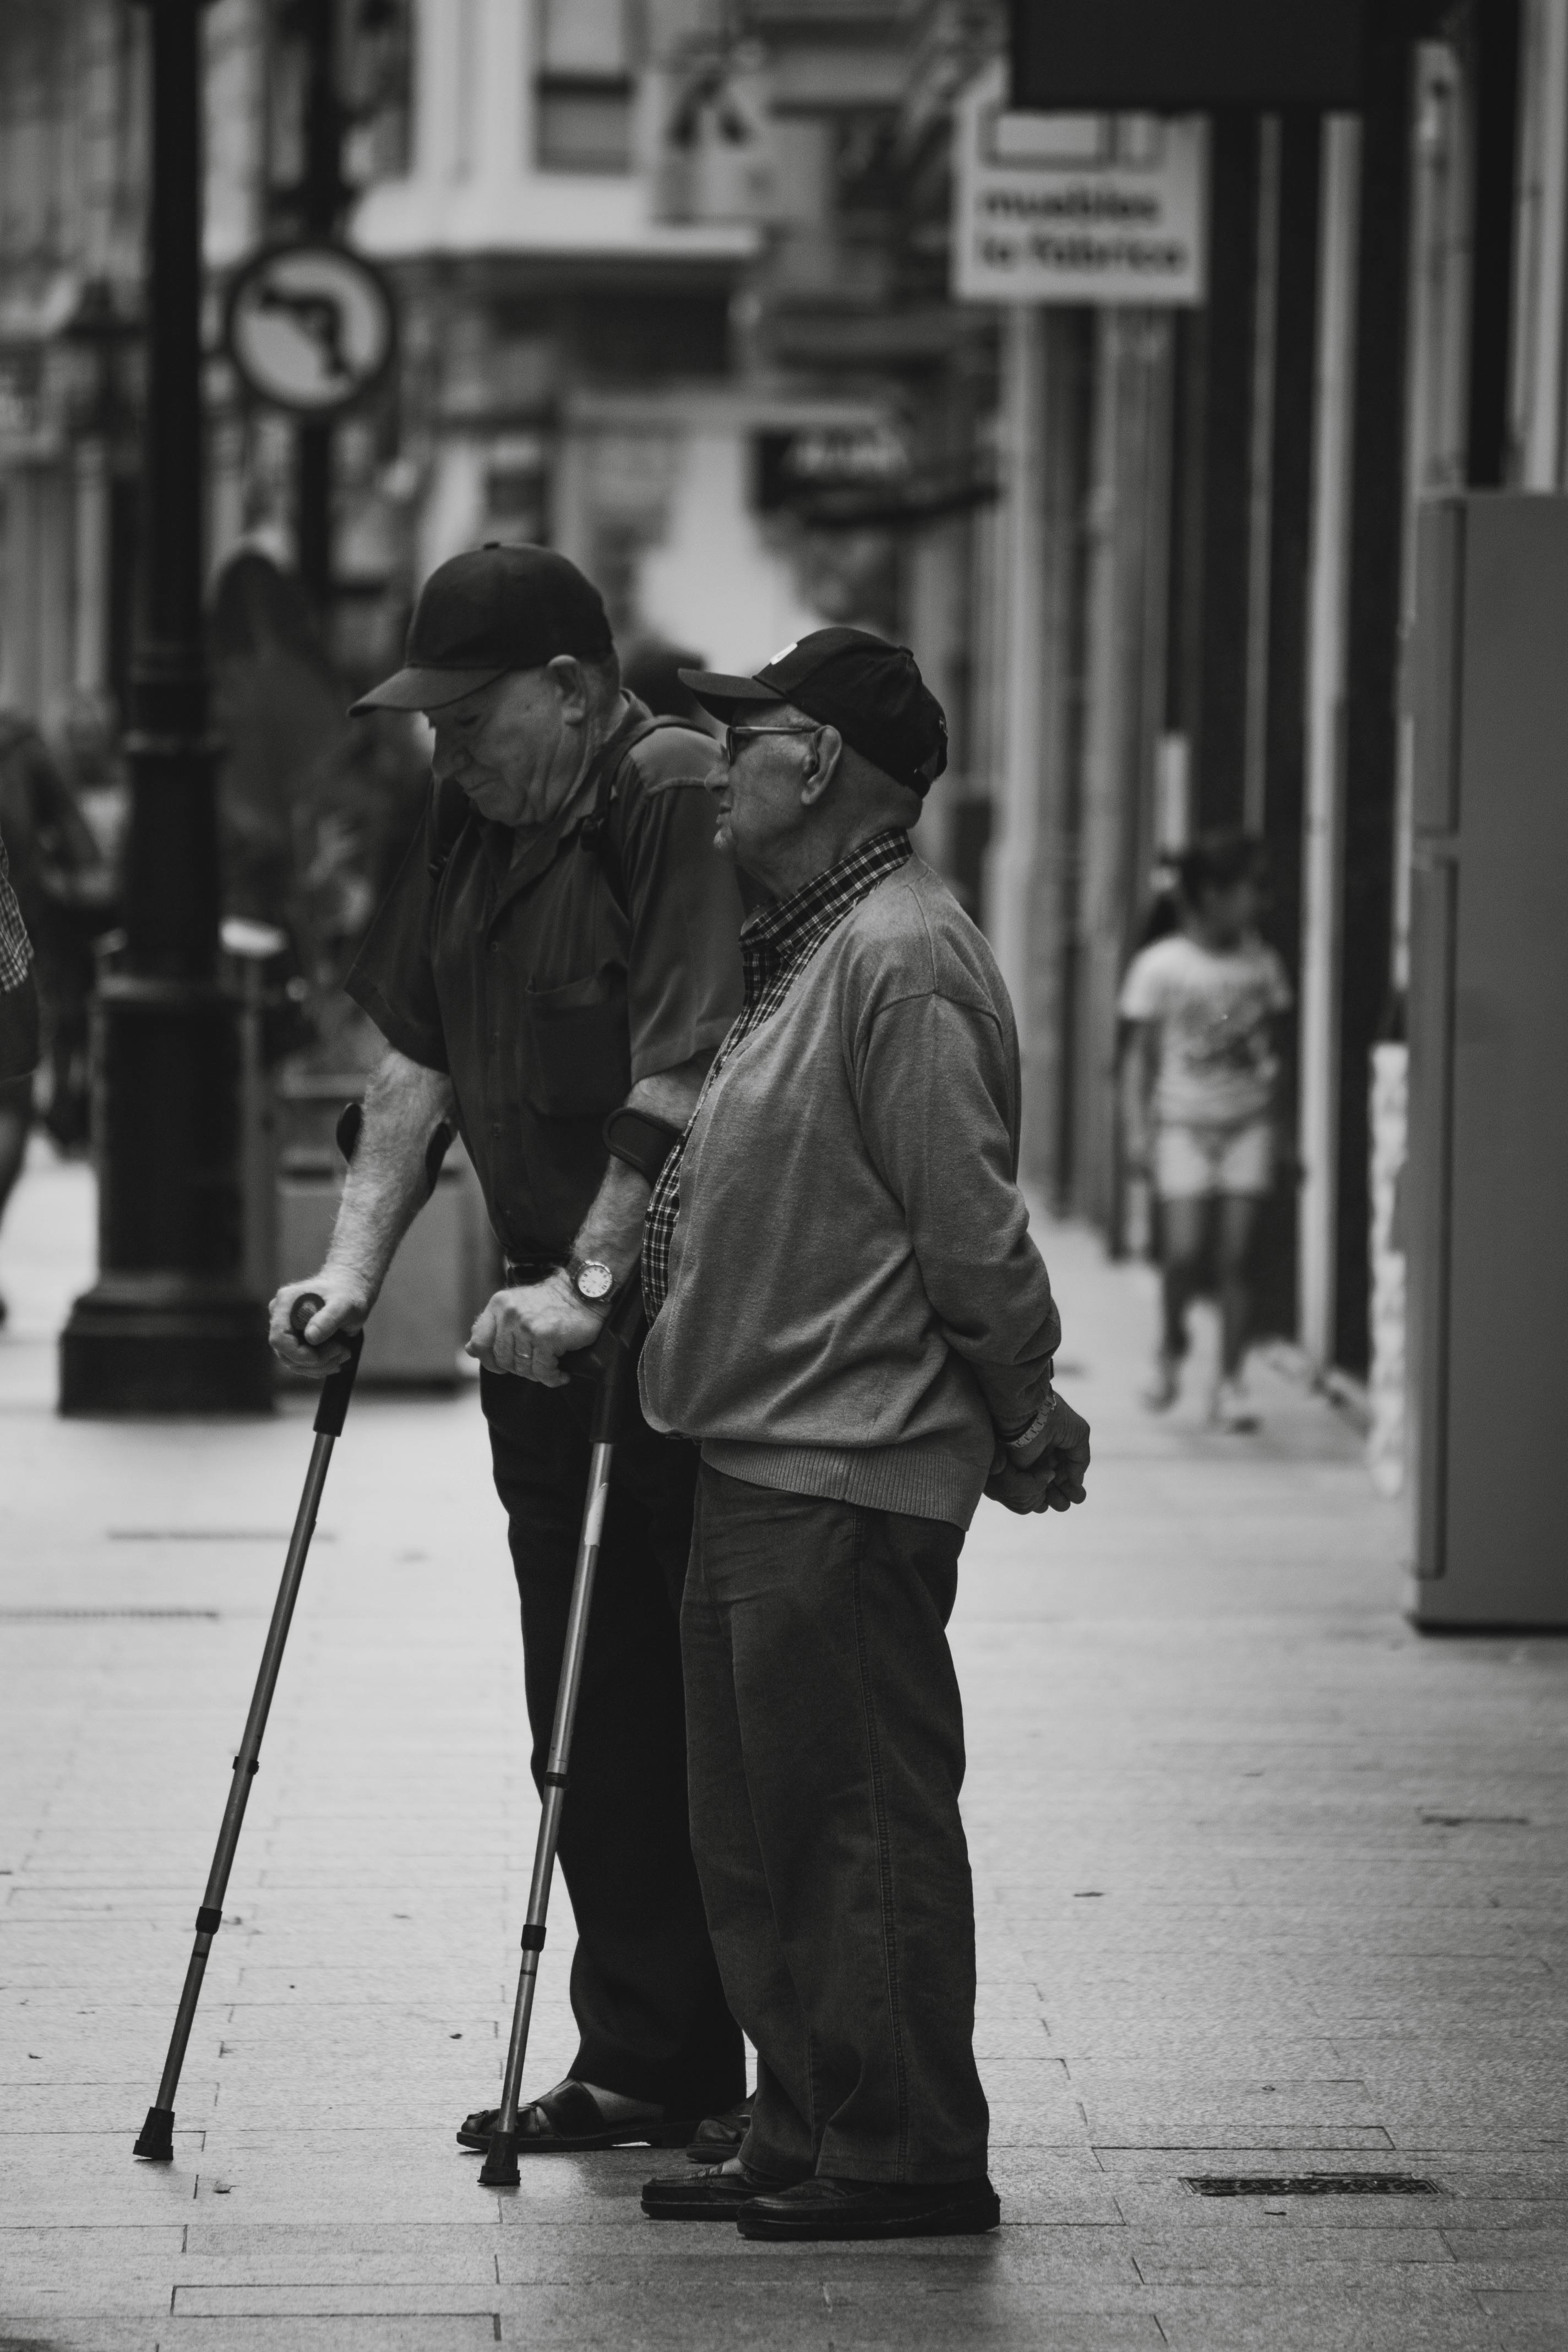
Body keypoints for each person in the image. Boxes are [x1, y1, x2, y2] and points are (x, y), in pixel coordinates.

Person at [267, 543, 750, 2157]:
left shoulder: (665, 789)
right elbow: (415, 1055)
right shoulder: (472, 817)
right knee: (580, 1696)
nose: (440, 746)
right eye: (427, 719)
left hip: (682, 1330)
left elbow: (688, 1061)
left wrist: (592, 1281)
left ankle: (757, 2067)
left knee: (690, 1699)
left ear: (568, 688)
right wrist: (346, 1269)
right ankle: (649, 2055)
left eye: (467, 715)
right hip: (545, 1342)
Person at [631, 627, 1092, 2242]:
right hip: (756, 1453)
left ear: (818, 763)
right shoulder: (805, 947)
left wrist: (1026, 1408)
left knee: (856, 1819)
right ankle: (808, 2112)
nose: (712, 769)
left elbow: (965, 1222)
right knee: (754, 1829)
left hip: (846, 1461)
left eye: (741, 735)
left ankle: (900, 2143)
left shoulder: (899, 955)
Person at [1119, 831, 1292, 1432]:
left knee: (1238, 1258)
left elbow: (1276, 1047)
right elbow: (1138, 1059)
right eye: (1251, 890)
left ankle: (1232, 1381)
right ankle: (1171, 1347)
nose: (1259, 902)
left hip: (1247, 1124)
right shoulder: (1160, 966)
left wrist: (1282, 1125)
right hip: (1183, 1127)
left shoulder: (1261, 963)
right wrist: (1138, 1133)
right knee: (1184, 1254)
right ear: (1212, 895)